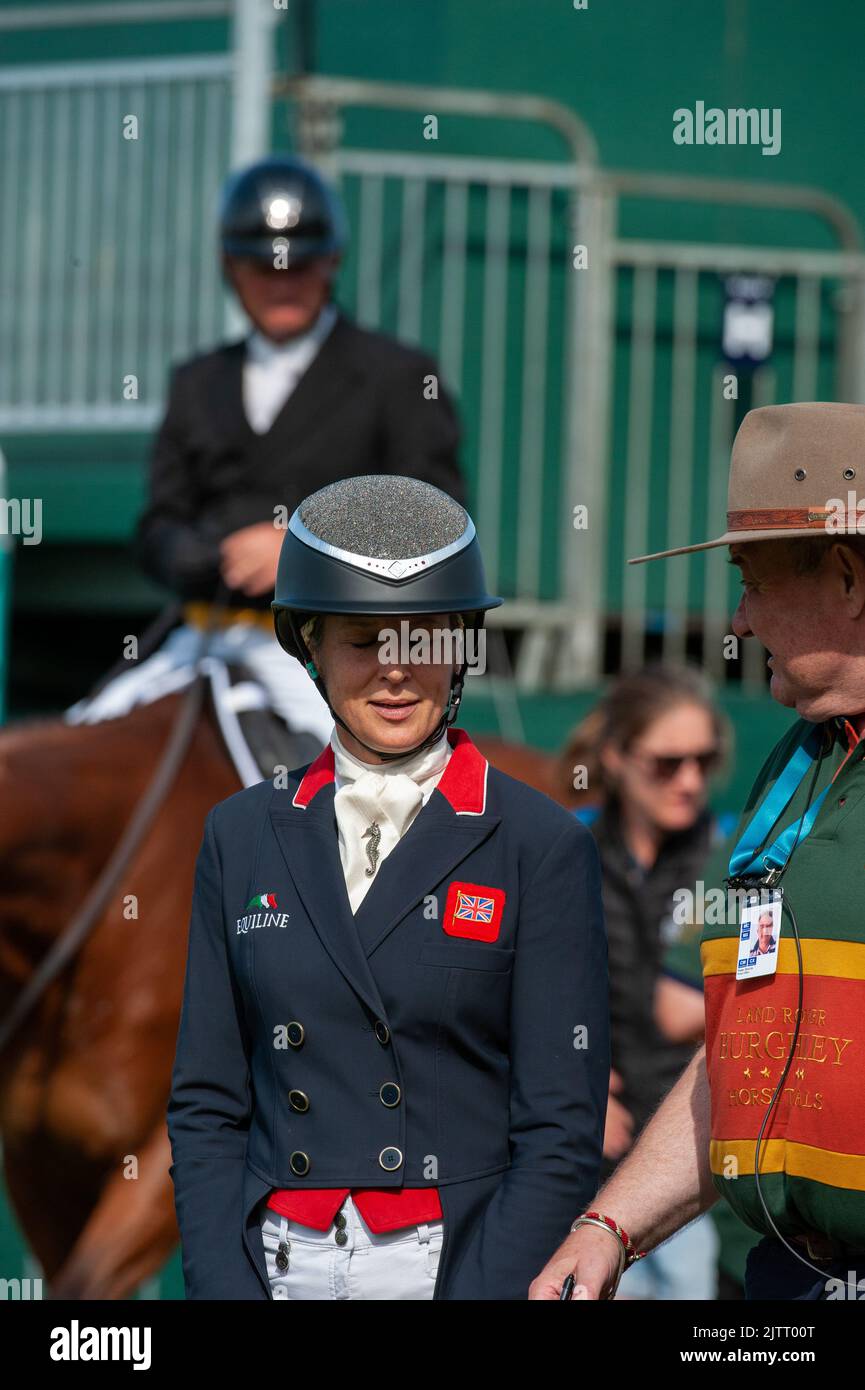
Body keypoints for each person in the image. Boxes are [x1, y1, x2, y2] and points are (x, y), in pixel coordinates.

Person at [167, 473, 609, 1300]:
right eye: (364, 639)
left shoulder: (540, 846)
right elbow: (205, 1103)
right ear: (309, 645)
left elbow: (559, 1132)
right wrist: (224, 1285)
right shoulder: (238, 833)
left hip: (453, 1268)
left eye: (425, 637)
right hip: (275, 1266)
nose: (397, 671)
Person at [530, 400, 865, 1301]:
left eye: (751, 581)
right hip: (781, 1283)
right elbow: (737, 1047)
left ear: (846, 576)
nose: (740, 620)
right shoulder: (795, 767)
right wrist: (610, 1227)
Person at [65, 155, 464, 739]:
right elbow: (159, 523)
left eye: (299, 267)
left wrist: (302, 548)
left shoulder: (398, 377)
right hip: (205, 633)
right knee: (79, 749)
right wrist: (199, 555)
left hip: (337, 648)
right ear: (231, 268)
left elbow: (438, 517)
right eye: (263, 268)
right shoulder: (196, 381)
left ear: (332, 262)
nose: (282, 282)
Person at [569, 664, 728, 1299]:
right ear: (616, 757)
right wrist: (577, 1083)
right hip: (582, 1156)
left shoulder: (734, 856)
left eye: (703, 760)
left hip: (693, 1155)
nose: (690, 780)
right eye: (668, 762)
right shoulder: (566, 850)